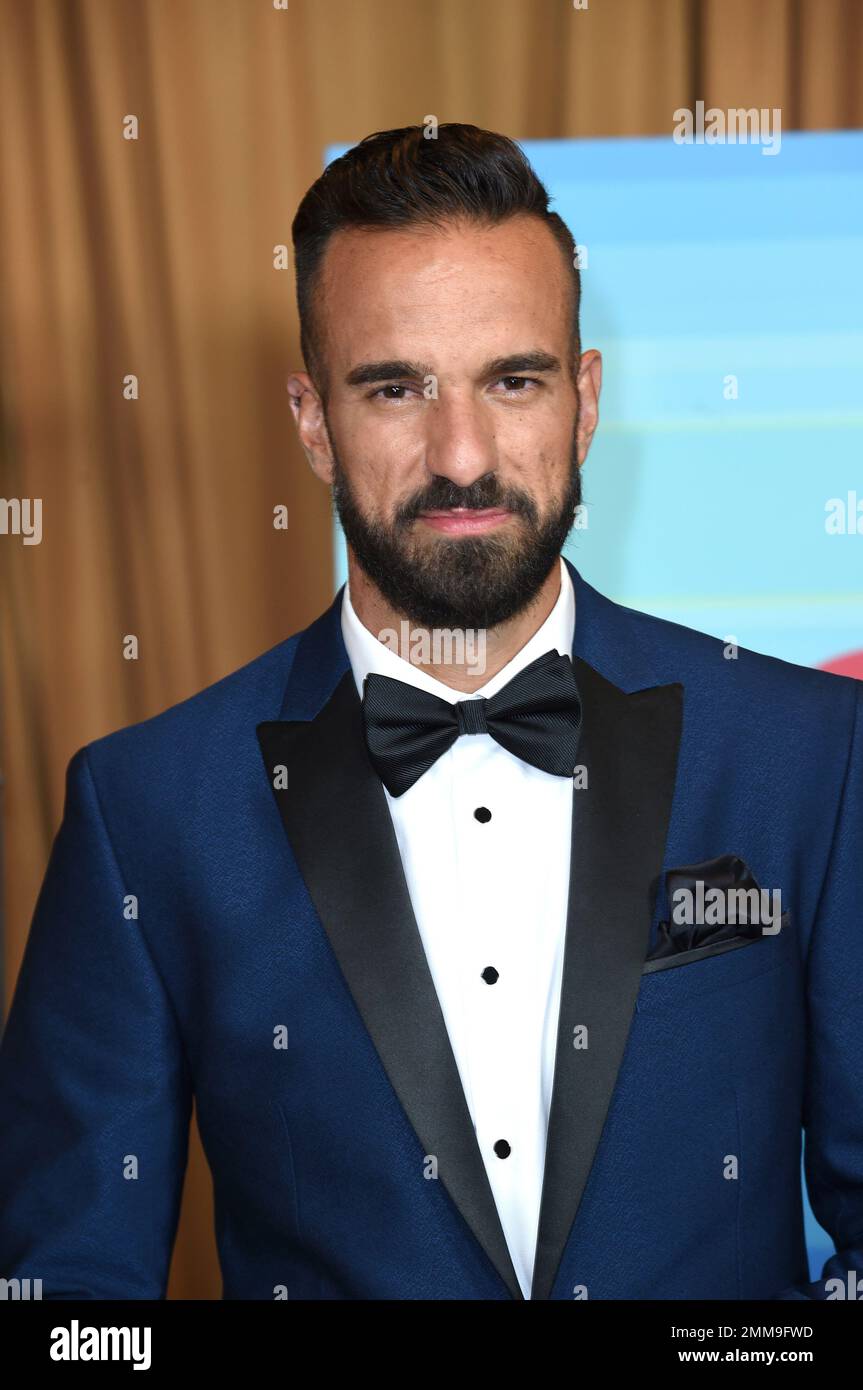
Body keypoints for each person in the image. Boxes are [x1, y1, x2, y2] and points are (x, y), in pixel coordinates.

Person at [0, 123, 860, 1301]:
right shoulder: (146, 811)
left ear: (585, 398)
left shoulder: (809, 757)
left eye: (513, 380)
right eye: (395, 387)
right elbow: (68, 1296)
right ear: (311, 421)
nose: (462, 455)